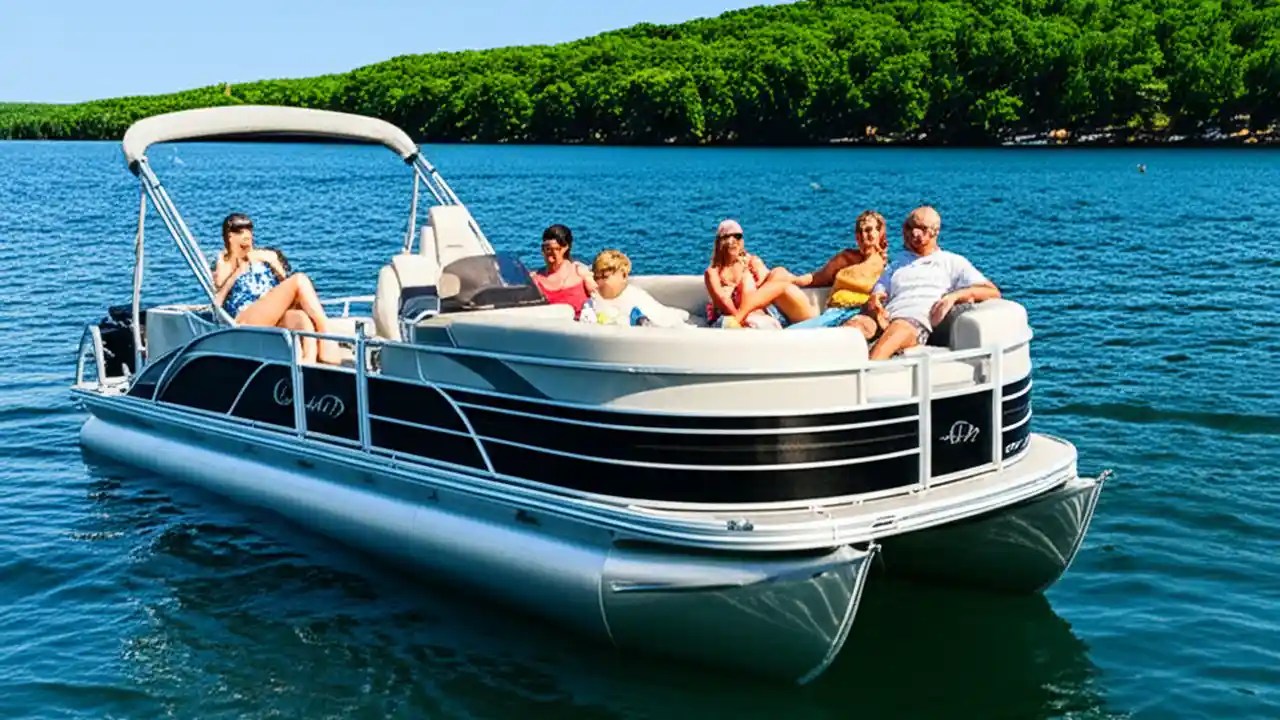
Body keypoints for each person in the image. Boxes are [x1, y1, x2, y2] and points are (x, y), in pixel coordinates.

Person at [848, 205, 1001, 360]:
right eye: (909, 227)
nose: (914, 233)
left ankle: (866, 377)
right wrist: (876, 301)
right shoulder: (897, 264)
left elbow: (992, 291)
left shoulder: (951, 262)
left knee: (898, 329)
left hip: (913, 324)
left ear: (935, 231)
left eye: (921, 228)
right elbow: (880, 290)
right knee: (853, 327)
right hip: (885, 317)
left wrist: (954, 296)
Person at [211, 213, 340, 365]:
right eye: (239, 232)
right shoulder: (224, 263)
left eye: (249, 231)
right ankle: (326, 333)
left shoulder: (263, 256)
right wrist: (236, 273)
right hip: (244, 320)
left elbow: (284, 287)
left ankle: (308, 363)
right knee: (299, 279)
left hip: (272, 316)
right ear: (230, 237)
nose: (246, 236)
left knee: (301, 319)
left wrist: (274, 264)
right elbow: (217, 303)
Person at [787, 209, 890, 329]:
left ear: (880, 233)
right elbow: (818, 278)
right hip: (832, 311)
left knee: (793, 331)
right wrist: (792, 280)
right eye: (859, 231)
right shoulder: (845, 257)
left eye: (868, 230)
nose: (863, 236)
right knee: (779, 275)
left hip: (852, 313)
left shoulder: (885, 268)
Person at [703, 219, 815, 328]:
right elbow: (723, 300)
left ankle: (794, 280)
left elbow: (767, 286)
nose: (732, 241)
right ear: (719, 242)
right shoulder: (713, 272)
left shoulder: (750, 262)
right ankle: (795, 280)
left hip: (760, 312)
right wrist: (739, 320)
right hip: (731, 317)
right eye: (727, 237)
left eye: (737, 236)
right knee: (748, 279)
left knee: (778, 272)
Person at [578, 249, 689, 327]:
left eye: (605, 277)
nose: (600, 283)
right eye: (597, 278)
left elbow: (660, 325)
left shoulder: (636, 300)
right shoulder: (592, 301)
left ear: (624, 276)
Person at [530, 224, 597, 318]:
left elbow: (602, 301)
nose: (551, 256)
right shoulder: (535, 280)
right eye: (547, 249)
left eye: (557, 249)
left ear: (566, 248)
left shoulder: (581, 273)